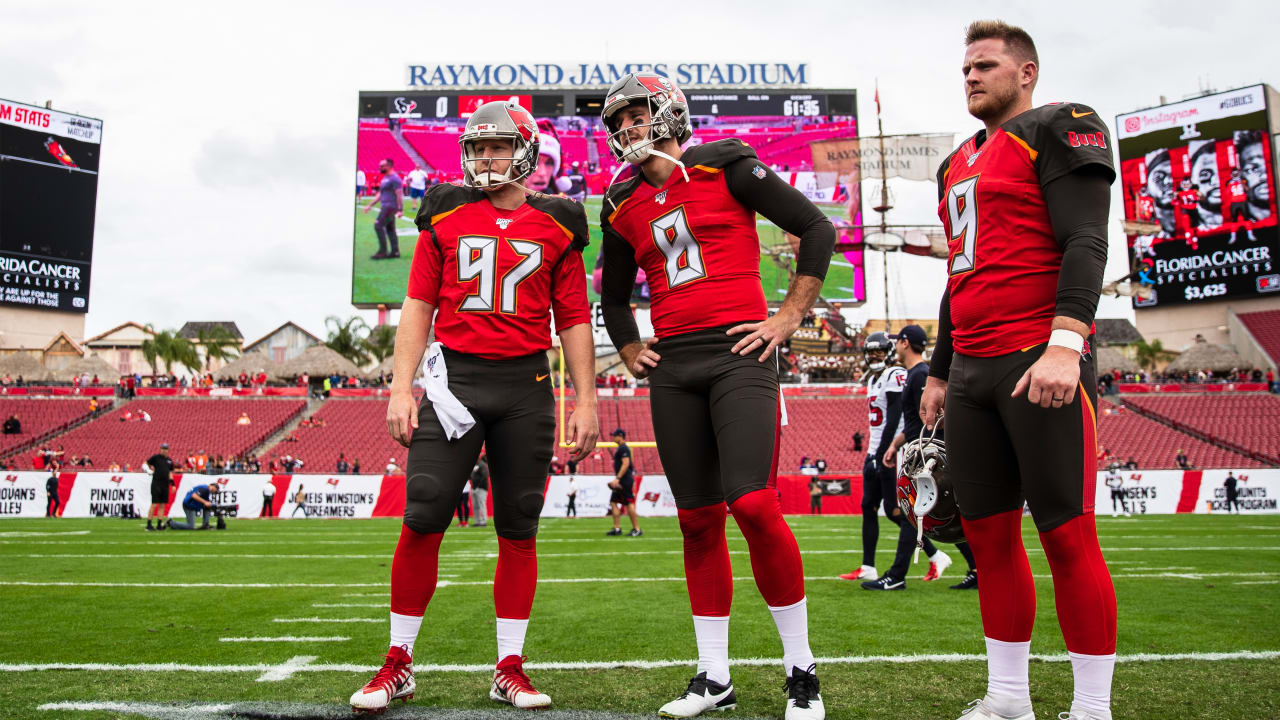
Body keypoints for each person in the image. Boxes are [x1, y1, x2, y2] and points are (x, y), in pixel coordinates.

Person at [598, 72, 834, 720]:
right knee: (697, 521)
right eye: (616, 121)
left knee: (753, 503)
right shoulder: (619, 201)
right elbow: (613, 298)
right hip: (673, 365)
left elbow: (816, 230)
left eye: (636, 115)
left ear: (670, 112)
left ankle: (802, 670)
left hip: (740, 352)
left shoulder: (723, 164)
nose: (625, 128)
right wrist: (627, 347)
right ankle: (714, 676)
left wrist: (787, 319)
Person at [352, 100, 599, 713]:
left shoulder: (561, 223)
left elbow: (572, 318)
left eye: (497, 147)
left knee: (519, 521)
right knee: (425, 509)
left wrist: (587, 398)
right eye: (479, 148)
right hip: (454, 380)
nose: (487, 159)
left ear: (525, 151)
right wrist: (400, 386)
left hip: (525, 386)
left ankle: (509, 666)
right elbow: (416, 305)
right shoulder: (445, 210)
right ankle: (398, 661)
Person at [923, 21, 1118, 720]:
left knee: (1067, 534)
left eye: (986, 65)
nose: (971, 76)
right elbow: (960, 272)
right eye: (966, 67)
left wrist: (1066, 342)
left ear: (1026, 72)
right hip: (973, 368)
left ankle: (1093, 708)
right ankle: (1009, 698)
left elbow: (1087, 239)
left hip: (1039, 355)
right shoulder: (954, 165)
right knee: (989, 537)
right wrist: (941, 371)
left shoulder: (1060, 125)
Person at [877, 326, 977, 590]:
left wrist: (931, 455)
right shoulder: (915, 374)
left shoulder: (922, 374)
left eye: (897, 342)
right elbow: (914, 422)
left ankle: (897, 575)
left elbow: (934, 418)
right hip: (917, 448)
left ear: (905, 342)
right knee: (935, 515)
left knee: (918, 511)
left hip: (928, 453)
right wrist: (895, 445)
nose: (895, 347)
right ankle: (977, 568)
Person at [839, 332, 904, 583]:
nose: (874, 356)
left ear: (888, 352)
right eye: (870, 352)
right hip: (874, 451)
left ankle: (937, 552)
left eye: (878, 351)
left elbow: (895, 418)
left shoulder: (894, 374)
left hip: (890, 452)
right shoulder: (873, 380)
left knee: (894, 511)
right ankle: (868, 566)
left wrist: (883, 451)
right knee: (868, 506)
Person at [364, 158, 404, 260]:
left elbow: (399, 194)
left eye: (382, 166)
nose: (380, 168)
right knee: (390, 229)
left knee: (378, 225)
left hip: (390, 207)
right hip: (386, 206)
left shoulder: (395, 179)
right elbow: (381, 194)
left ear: (389, 166)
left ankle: (383, 252)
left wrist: (400, 209)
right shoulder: (385, 178)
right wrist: (370, 205)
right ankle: (395, 252)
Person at [605, 428, 641, 537]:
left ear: (620, 436)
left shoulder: (624, 448)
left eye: (614, 435)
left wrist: (617, 478)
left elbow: (626, 464)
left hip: (624, 481)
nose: (613, 437)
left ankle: (637, 529)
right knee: (613, 502)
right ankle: (617, 529)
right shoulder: (621, 448)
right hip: (622, 480)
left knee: (629, 503)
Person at [145, 443, 176, 531]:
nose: (164, 450)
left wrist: (172, 484)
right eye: (163, 448)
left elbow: (170, 473)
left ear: (168, 450)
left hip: (165, 484)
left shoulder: (169, 461)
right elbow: (146, 463)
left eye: (166, 449)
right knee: (154, 504)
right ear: (160, 449)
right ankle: (149, 524)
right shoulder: (155, 458)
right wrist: (148, 470)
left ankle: (159, 524)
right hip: (156, 483)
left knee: (162, 505)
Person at [1224, 169, 1257, 243]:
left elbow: (1247, 189)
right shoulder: (1229, 182)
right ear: (1231, 174)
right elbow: (1226, 193)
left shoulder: (1243, 180)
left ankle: (1250, 235)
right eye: (1234, 173)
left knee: (1246, 218)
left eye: (1236, 173)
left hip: (1242, 202)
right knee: (1234, 220)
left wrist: (1241, 182)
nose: (1235, 175)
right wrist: (1230, 184)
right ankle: (1233, 237)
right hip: (1234, 203)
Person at [471, 454, 489, 528]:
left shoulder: (482, 465)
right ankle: (477, 521)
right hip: (474, 488)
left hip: (481, 488)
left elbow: (485, 476)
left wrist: (478, 486)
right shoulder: (476, 465)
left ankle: (484, 521)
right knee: (475, 505)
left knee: (482, 504)